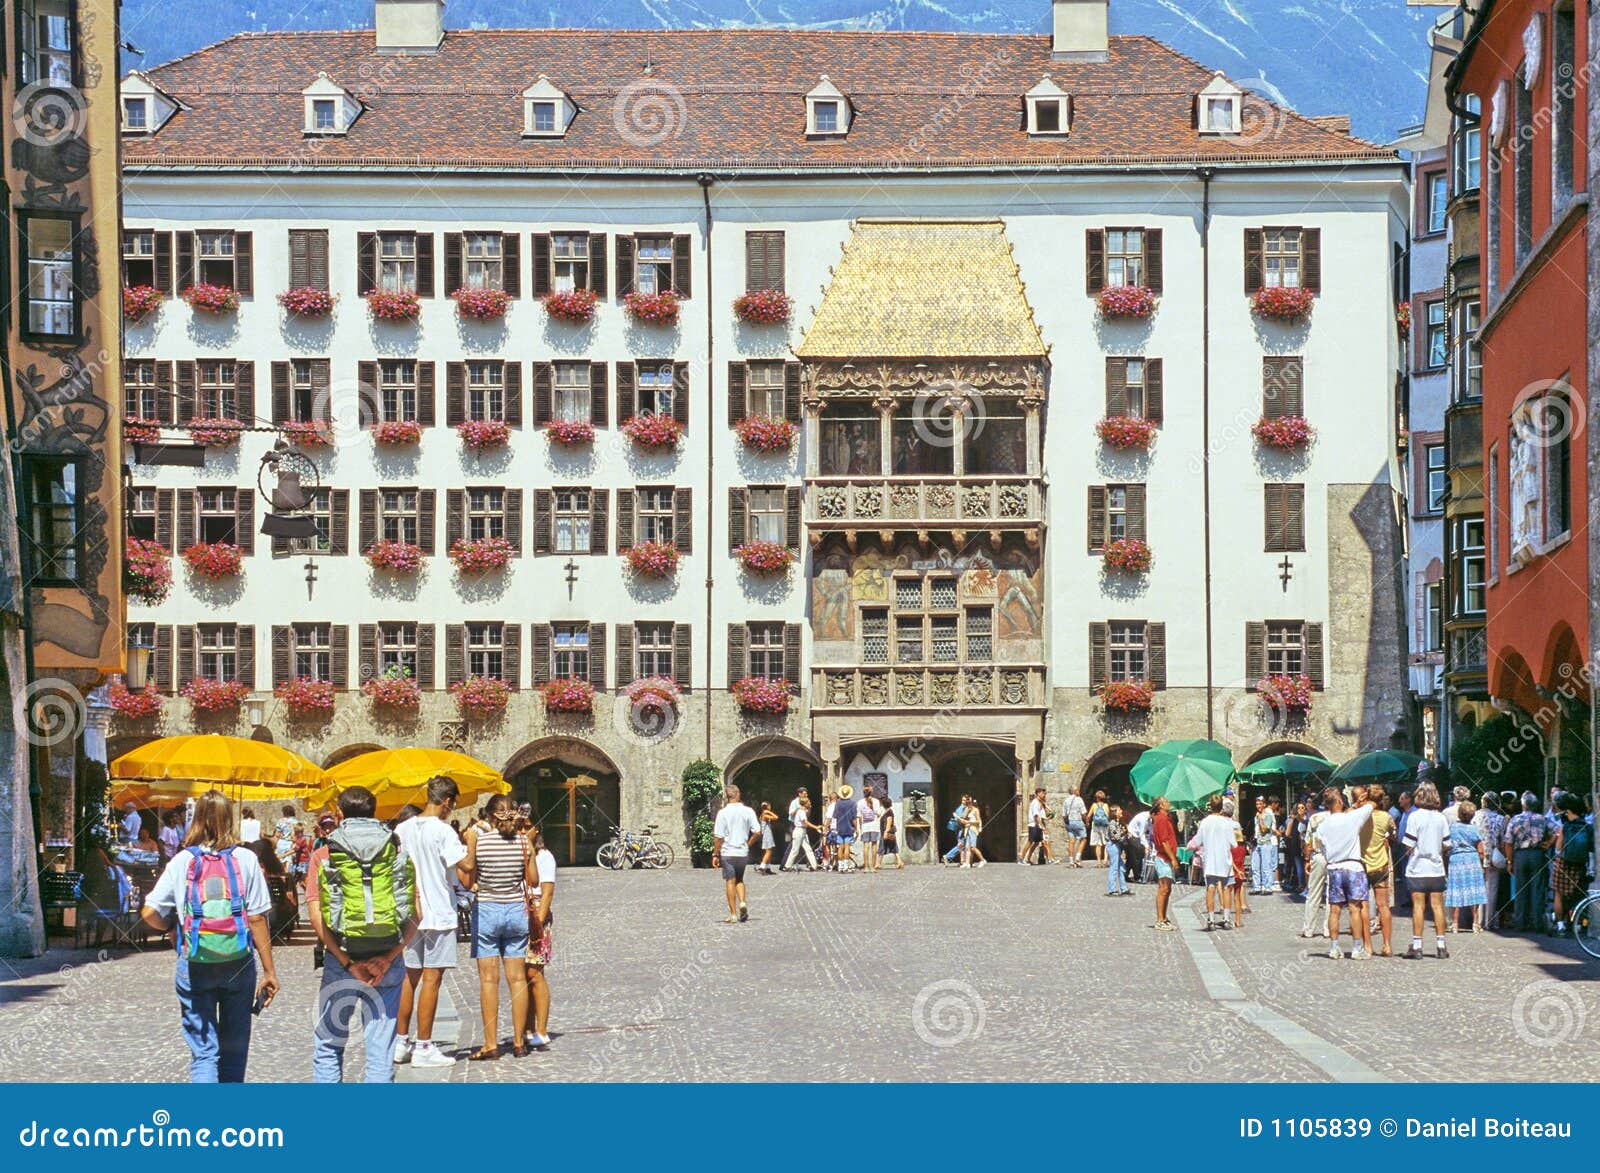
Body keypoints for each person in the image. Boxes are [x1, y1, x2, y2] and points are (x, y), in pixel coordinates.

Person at [138, 789, 280, 1083]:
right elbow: (256, 918)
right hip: (239, 963)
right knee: (235, 1047)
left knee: (204, 1052)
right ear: (231, 820)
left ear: (196, 820)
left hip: (195, 960)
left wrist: (172, 929)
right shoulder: (247, 859)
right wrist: (269, 970)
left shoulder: (181, 861)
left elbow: (148, 912)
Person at [309, 786, 417, 1082]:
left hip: (340, 958)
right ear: (374, 813)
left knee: (329, 1044)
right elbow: (415, 914)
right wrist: (388, 957)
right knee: (381, 1049)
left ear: (341, 815)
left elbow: (316, 917)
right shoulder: (394, 849)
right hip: (388, 959)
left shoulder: (324, 852)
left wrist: (346, 961)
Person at [393, 776, 466, 1069]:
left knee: (409, 979)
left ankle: (400, 1042)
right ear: (447, 801)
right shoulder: (444, 831)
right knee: (432, 980)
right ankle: (424, 1045)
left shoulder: (402, 828)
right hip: (438, 911)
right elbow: (465, 867)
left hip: (411, 912)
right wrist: (471, 844)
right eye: (453, 804)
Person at [457, 794, 534, 1061]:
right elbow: (531, 878)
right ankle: (518, 1041)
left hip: (488, 909)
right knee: (518, 980)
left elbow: (468, 880)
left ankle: (491, 1044)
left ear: (489, 816)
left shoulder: (480, 841)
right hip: (515, 912)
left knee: (489, 981)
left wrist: (467, 844)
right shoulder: (524, 842)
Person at [1317, 786, 1373, 960]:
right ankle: (1357, 948)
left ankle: (1334, 947)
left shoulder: (1323, 826)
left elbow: (1323, 850)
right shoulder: (1352, 818)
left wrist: (1354, 806)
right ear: (1340, 801)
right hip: (1353, 866)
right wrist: (1359, 803)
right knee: (1354, 908)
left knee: (1334, 910)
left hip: (1334, 867)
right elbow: (1371, 805)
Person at [1401, 781, 1452, 959]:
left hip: (1417, 868)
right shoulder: (1441, 818)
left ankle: (1417, 946)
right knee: (1437, 906)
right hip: (1436, 868)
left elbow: (1408, 844)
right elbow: (1447, 844)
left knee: (1418, 907)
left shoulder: (1414, 817)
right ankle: (1441, 946)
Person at [523, 829, 557, 1051]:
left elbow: (547, 893)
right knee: (522, 977)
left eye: (527, 826)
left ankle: (541, 1031)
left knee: (535, 973)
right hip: (518, 916)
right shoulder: (518, 853)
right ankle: (525, 1030)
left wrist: (538, 923)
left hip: (535, 917)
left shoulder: (544, 857)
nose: (523, 831)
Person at [1504, 791, 1554, 932]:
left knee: (1520, 889)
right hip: (1537, 854)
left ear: (1523, 804)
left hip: (1521, 855)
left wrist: (1509, 861)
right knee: (1538, 889)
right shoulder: (1542, 819)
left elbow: (1508, 842)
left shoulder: (1515, 819)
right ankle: (1537, 923)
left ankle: (1520, 922)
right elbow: (1557, 831)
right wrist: (1548, 843)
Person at [712, 784, 761, 923]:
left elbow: (718, 837)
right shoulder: (748, 811)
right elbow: (757, 832)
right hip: (742, 851)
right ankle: (743, 902)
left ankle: (733, 914)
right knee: (739, 879)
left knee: (730, 881)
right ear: (738, 794)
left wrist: (715, 854)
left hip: (728, 852)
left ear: (727, 797)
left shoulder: (722, 813)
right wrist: (748, 843)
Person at [1357, 784, 1395, 957]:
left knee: (1364, 906)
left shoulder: (1359, 817)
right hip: (1380, 865)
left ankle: (1367, 945)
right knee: (1383, 906)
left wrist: (1358, 804)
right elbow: (1393, 836)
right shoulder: (1386, 817)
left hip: (1362, 865)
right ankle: (1387, 945)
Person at [1551, 793, 1591, 934]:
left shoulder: (1565, 827)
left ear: (1567, 811)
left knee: (1559, 894)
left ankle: (1561, 924)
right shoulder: (1587, 827)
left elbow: (1558, 847)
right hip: (1579, 864)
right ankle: (1578, 924)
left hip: (1563, 862)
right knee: (1577, 894)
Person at [1446, 799, 1487, 934]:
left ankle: (1455, 923)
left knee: (1456, 891)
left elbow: (1446, 845)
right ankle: (1475, 923)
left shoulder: (1452, 828)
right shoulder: (1474, 829)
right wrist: (1480, 862)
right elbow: (1481, 849)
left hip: (1456, 859)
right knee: (1473, 890)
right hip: (1472, 859)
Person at [1197, 795, 1238, 930]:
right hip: (1224, 860)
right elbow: (1234, 844)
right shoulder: (1226, 823)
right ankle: (1226, 918)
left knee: (1211, 887)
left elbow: (1199, 840)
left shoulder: (1205, 822)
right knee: (1226, 888)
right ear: (1221, 807)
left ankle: (1211, 919)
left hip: (1210, 860)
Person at [1472, 791, 1508, 930]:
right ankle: (1489, 921)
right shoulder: (1500, 819)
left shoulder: (1475, 817)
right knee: (1491, 889)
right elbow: (1503, 840)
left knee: (1478, 888)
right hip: (1494, 855)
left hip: (1478, 854)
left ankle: (1477, 920)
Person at [1299, 799, 1330, 939]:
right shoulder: (1340, 818)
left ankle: (1308, 928)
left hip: (1317, 856)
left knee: (1313, 893)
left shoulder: (1315, 818)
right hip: (1334, 858)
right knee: (1332, 895)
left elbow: (1308, 842)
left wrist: (1307, 859)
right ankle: (1328, 928)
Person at [1150, 796, 1178, 931]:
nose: (1169, 803)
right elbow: (1164, 841)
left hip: (1166, 857)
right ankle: (1159, 920)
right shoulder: (1161, 819)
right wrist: (1172, 858)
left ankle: (1164, 917)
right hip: (1163, 857)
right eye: (1166, 801)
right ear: (1161, 805)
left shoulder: (1165, 818)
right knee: (1163, 889)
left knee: (1167, 889)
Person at [783, 797, 820, 871]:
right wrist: (815, 827)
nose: (810, 803)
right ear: (805, 803)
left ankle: (814, 865)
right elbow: (805, 822)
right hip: (799, 830)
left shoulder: (803, 810)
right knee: (795, 849)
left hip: (803, 831)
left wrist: (809, 809)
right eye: (809, 802)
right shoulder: (801, 812)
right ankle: (787, 866)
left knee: (808, 848)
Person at [1251, 796, 1278, 894]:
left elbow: (1264, 829)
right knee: (1255, 867)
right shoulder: (1257, 815)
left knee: (1266, 866)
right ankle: (1257, 887)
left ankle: (1268, 887)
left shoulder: (1267, 815)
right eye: (1257, 804)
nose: (1258, 806)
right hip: (1257, 843)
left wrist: (1260, 819)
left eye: (1260, 804)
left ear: (1264, 804)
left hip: (1266, 843)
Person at [1021, 787, 1053, 866]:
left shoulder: (1040, 803)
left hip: (1037, 825)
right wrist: (1042, 827)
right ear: (1038, 793)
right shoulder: (1035, 803)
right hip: (1034, 825)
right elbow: (1036, 816)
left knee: (1036, 843)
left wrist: (1047, 817)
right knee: (1030, 842)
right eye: (1042, 793)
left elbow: (1041, 815)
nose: (1044, 795)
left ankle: (1028, 859)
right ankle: (1021, 859)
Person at [832, 784, 861, 872]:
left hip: (840, 827)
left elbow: (835, 816)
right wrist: (856, 828)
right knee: (847, 846)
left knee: (840, 847)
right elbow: (854, 818)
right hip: (849, 828)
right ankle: (845, 866)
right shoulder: (853, 804)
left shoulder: (838, 803)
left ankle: (840, 866)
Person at [1105, 806, 1131, 896]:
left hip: (1116, 845)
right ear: (1115, 813)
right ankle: (1112, 889)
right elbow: (1115, 837)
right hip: (1113, 846)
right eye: (1119, 810)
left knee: (1121, 867)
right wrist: (1123, 832)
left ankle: (1124, 888)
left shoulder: (1118, 822)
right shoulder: (1112, 823)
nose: (1121, 811)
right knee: (1114, 868)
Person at [1283, 802, 1307, 894]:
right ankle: (1301, 885)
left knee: (1304, 866)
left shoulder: (1307, 819)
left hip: (1305, 845)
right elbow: (1287, 833)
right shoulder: (1293, 820)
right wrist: (1292, 820)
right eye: (1299, 808)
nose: (1301, 810)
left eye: (1302, 808)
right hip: (1296, 845)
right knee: (1299, 865)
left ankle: (1304, 885)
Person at [1061, 788, 1087, 867]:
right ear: (1075, 791)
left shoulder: (1066, 800)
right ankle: (1077, 858)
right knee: (1084, 839)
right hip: (1078, 821)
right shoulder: (1079, 799)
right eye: (1078, 790)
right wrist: (1085, 821)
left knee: (1071, 841)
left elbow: (1064, 814)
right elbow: (1083, 813)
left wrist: (1066, 822)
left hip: (1069, 822)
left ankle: (1071, 861)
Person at [943, 794, 971, 865]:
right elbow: (962, 819)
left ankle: (962, 861)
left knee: (962, 845)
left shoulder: (960, 807)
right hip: (961, 829)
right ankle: (947, 856)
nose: (963, 801)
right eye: (963, 800)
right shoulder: (965, 808)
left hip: (958, 828)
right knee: (961, 845)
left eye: (964, 800)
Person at [1125, 805, 1150, 883]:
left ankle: (1124, 874)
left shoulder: (1149, 817)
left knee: (1130, 857)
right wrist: (1146, 846)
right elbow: (1141, 833)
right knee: (1137, 857)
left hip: (1136, 835)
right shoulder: (1144, 819)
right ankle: (1137, 876)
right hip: (1132, 835)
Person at [1087, 790, 1112, 867]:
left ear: (1097, 798)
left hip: (1096, 826)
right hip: (1104, 826)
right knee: (1106, 843)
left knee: (1098, 844)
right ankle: (1105, 860)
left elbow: (1088, 816)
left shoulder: (1094, 805)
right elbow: (1108, 816)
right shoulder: (1106, 806)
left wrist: (1087, 823)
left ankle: (1098, 862)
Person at [859, 790, 881, 872]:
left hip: (865, 826)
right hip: (874, 826)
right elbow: (878, 814)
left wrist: (861, 826)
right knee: (874, 846)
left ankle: (866, 867)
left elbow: (859, 816)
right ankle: (873, 867)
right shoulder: (876, 801)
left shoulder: (860, 802)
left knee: (865, 846)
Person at [880, 797, 904, 870]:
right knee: (893, 848)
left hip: (887, 832)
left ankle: (877, 863)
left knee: (882, 848)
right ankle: (899, 862)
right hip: (890, 833)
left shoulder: (889, 813)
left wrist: (886, 832)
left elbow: (889, 823)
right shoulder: (888, 812)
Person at [756, 802, 779, 875]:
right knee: (768, 851)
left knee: (769, 851)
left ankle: (768, 868)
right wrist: (768, 811)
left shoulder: (763, 815)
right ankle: (762, 866)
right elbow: (776, 817)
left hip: (768, 834)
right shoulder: (765, 815)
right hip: (767, 835)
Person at [959, 801, 984, 869]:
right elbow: (964, 817)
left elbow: (978, 821)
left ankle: (982, 860)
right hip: (967, 829)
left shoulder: (976, 810)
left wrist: (969, 822)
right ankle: (967, 863)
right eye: (966, 806)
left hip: (973, 830)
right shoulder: (968, 810)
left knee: (973, 847)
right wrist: (962, 820)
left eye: (968, 805)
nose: (967, 807)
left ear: (971, 805)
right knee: (967, 847)